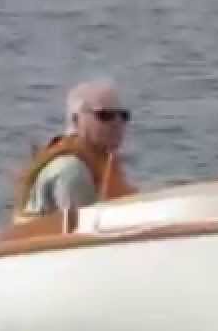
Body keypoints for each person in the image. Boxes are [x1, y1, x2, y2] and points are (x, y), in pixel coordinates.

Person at [10, 79, 136, 224]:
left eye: (123, 116)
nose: (117, 123)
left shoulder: (102, 162)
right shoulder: (72, 170)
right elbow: (82, 232)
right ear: (76, 119)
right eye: (104, 116)